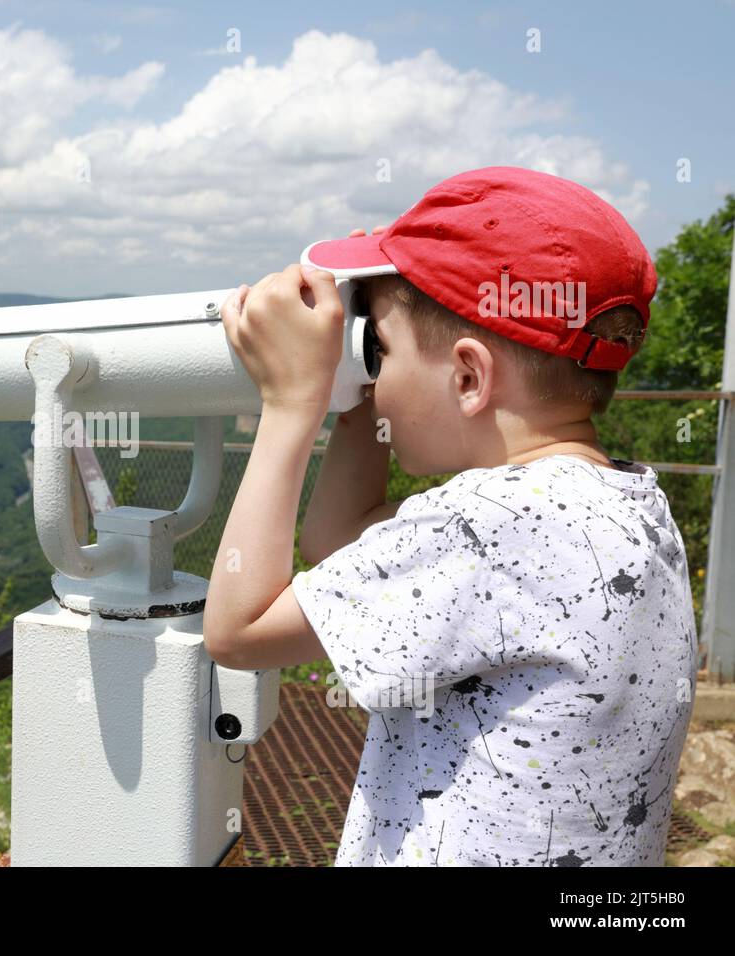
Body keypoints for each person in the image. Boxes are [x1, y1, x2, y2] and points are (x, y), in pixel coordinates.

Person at [204, 166, 698, 866]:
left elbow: (238, 630)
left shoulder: (489, 522)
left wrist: (290, 405)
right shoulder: (621, 505)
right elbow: (335, 543)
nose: (376, 379)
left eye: (385, 351)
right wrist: (353, 394)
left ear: (468, 377)